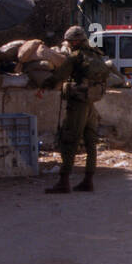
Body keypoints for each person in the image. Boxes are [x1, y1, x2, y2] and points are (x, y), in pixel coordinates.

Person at [37, 26, 110, 193]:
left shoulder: (75, 57)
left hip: (77, 103)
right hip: (91, 102)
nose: (68, 44)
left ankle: (63, 181)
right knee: (91, 141)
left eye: (70, 42)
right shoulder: (96, 54)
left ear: (75, 41)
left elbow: (59, 76)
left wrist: (43, 85)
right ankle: (88, 180)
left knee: (69, 140)